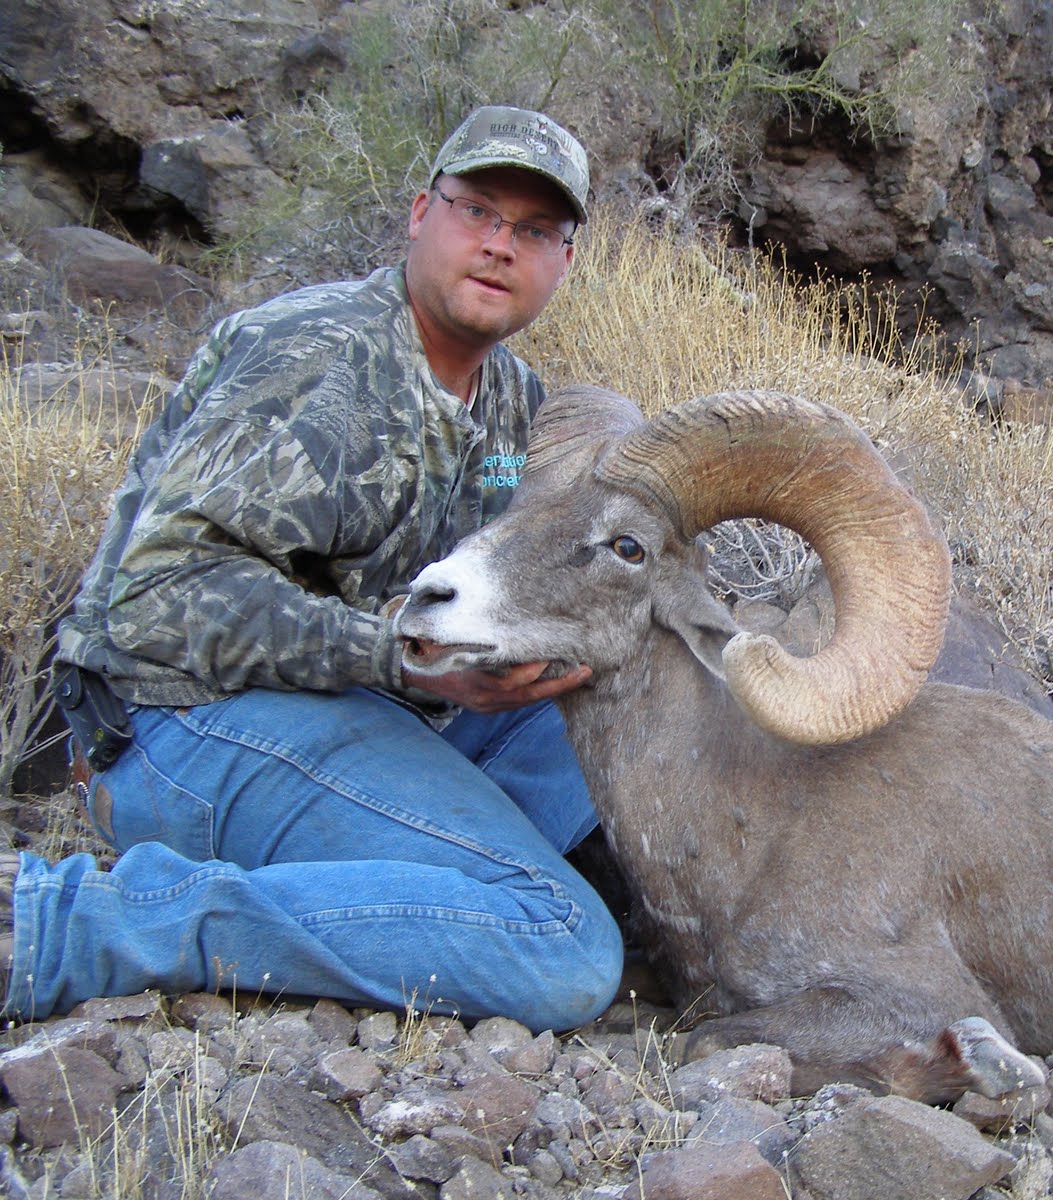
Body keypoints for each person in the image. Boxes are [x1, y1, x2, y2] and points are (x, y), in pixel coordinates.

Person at [0, 107, 624, 1031]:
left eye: (534, 230)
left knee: (620, 692)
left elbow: (470, 561)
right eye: (478, 211)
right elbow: (161, 601)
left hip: (362, 704)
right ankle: (69, 926)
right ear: (422, 214)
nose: (500, 246)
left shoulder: (509, 398)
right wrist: (401, 658)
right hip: (185, 724)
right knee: (561, 944)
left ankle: (445, 882)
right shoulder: (316, 356)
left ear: (563, 261)